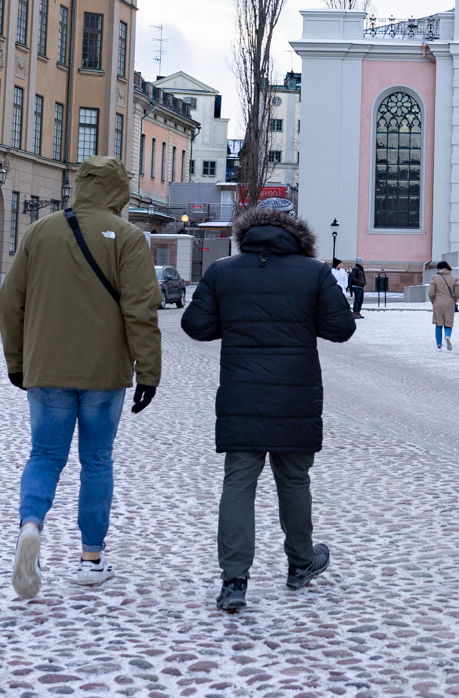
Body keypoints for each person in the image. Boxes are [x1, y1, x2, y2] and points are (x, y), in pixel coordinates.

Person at [0, 155, 161, 599]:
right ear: (118, 190)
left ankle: (31, 526)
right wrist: (148, 371)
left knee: (44, 455)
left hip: (46, 366)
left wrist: (17, 361)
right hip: (103, 372)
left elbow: (10, 302)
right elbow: (141, 310)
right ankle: (91, 559)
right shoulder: (127, 237)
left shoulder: (39, 231)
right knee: (97, 461)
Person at [183, 204, 356, 613]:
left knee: (238, 483)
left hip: (242, 393)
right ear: (296, 230)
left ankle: (234, 580)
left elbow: (196, 325)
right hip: (295, 394)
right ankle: (301, 563)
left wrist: (236, 321)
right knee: (294, 480)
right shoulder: (313, 272)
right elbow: (341, 328)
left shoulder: (223, 271)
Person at [427, 260, 459, 349]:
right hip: (449, 303)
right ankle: (447, 336)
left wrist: (433, 301)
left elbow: (431, 292)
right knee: (448, 323)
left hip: (438, 302)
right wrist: (454, 301)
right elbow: (457, 293)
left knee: (438, 324)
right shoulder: (454, 278)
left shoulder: (435, 278)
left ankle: (439, 345)